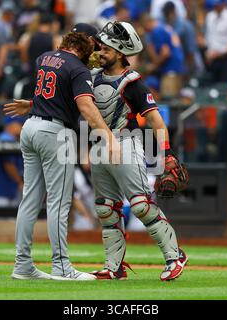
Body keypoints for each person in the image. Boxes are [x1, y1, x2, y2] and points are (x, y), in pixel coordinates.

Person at [3, 31, 120, 281]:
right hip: (55, 133)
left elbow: (52, 92)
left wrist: (32, 104)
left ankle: (22, 264)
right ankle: (61, 266)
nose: (93, 55)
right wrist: (109, 137)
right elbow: (86, 107)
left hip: (31, 127)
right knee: (59, 202)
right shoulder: (78, 68)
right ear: (81, 48)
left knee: (30, 200)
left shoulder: (44, 58)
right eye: (91, 49)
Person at [89, 21, 188, 281]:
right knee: (105, 208)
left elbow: (156, 120)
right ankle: (114, 267)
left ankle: (174, 256)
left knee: (141, 205)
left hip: (125, 143)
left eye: (107, 48)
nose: (100, 51)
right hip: (99, 144)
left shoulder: (133, 83)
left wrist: (166, 155)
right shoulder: (92, 75)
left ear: (121, 52)